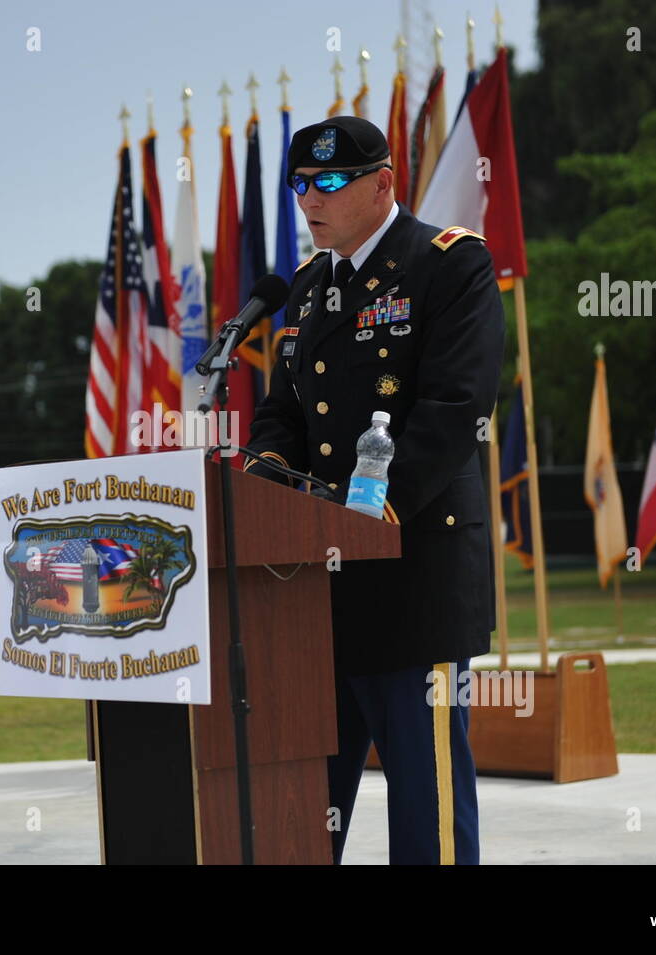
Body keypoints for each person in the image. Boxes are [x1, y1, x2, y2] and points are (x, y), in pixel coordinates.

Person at [243, 115, 505, 864]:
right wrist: (263, 483)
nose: (309, 200)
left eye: (328, 183)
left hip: (412, 577)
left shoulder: (447, 265)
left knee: (426, 817)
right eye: (299, 184)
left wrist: (374, 513)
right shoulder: (306, 288)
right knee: (304, 811)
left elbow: (456, 408)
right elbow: (282, 415)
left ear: (383, 183)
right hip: (317, 594)